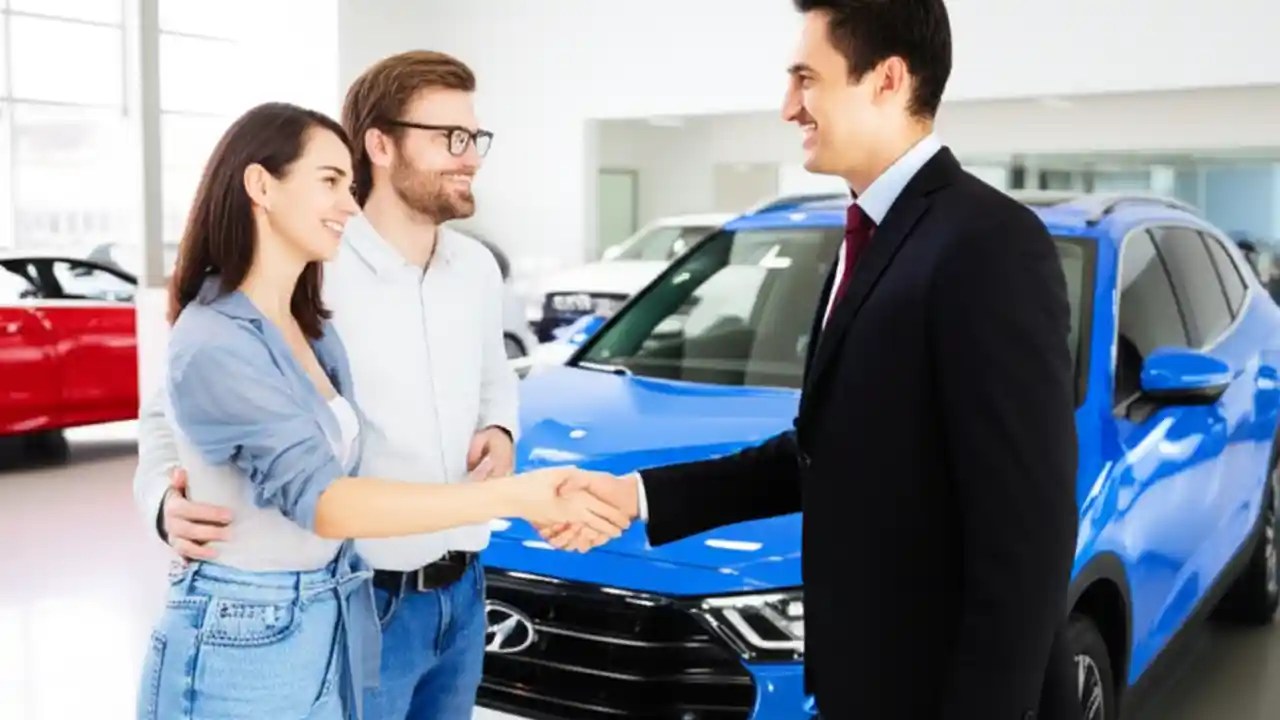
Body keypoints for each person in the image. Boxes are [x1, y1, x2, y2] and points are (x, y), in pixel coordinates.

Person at [542, 1, 1082, 718]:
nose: (787, 107)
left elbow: (1027, 534)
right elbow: (829, 450)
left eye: (806, 79)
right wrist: (640, 494)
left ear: (888, 79)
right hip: (863, 681)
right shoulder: (870, 237)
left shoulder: (988, 243)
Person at [132, 53, 610, 719]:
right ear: (380, 146)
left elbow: (493, 379)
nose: (470, 156)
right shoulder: (310, 268)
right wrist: (161, 496)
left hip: (462, 585)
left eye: (475, 139)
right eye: (451, 138)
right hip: (359, 591)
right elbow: (172, 408)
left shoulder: (474, 268)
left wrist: (499, 427)